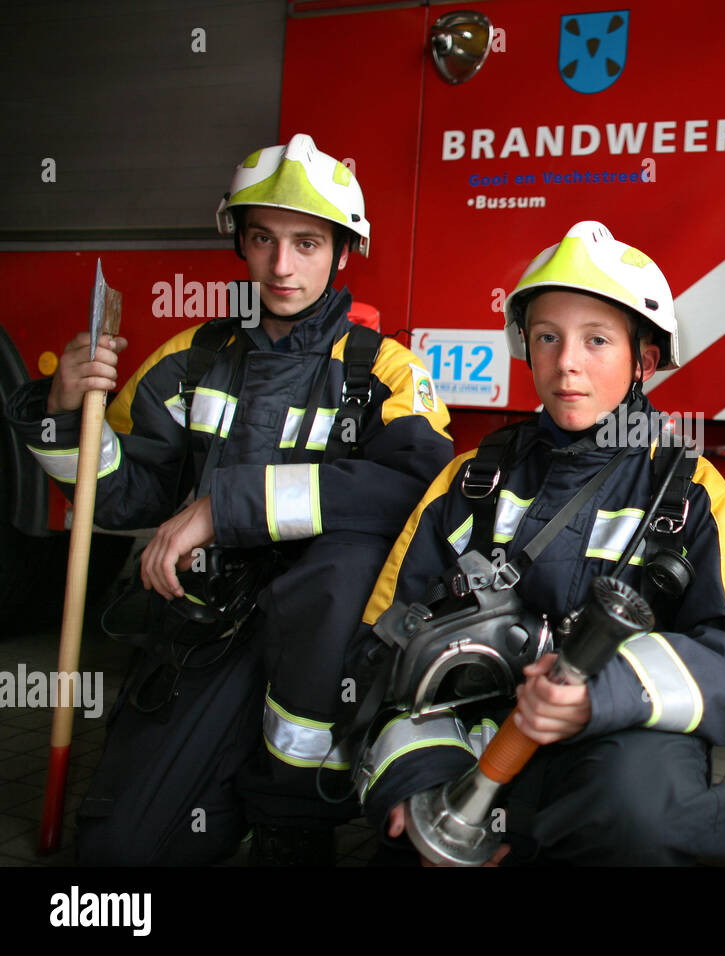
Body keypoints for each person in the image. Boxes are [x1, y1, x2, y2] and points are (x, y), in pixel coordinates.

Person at [5, 133, 455, 865]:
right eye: (263, 240)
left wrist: (223, 506)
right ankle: (227, 796)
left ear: (342, 252)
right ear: (239, 245)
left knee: (340, 572)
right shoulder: (189, 361)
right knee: (118, 856)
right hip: (207, 629)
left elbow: (415, 490)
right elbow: (119, 499)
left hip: (326, 642)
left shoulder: (386, 374)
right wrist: (62, 416)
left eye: (307, 243)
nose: (283, 266)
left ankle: (291, 814)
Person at [356, 220, 725, 865]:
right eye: (547, 338)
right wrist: (418, 784)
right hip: (475, 740)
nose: (567, 362)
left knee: (647, 820)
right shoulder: (472, 478)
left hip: (621, 737)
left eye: (596, 340)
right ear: (527, 350)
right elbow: (384, 643)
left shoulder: (691, 491)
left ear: (644, 359)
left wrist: (607, 693)